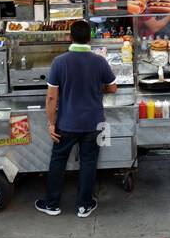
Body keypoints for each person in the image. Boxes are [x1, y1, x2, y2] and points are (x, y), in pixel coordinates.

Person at [36, 21, 117, 218]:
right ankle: (84, 205)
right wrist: (98, 87)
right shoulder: (99, 61)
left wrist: (51, 122)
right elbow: (112, 87)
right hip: (94, 122)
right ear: (89, 38)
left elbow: (51, 97)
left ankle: (52, 204)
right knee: (89, 162)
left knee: (58, 161)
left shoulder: (60, 62)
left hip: (66, 123)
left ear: (69, 37)